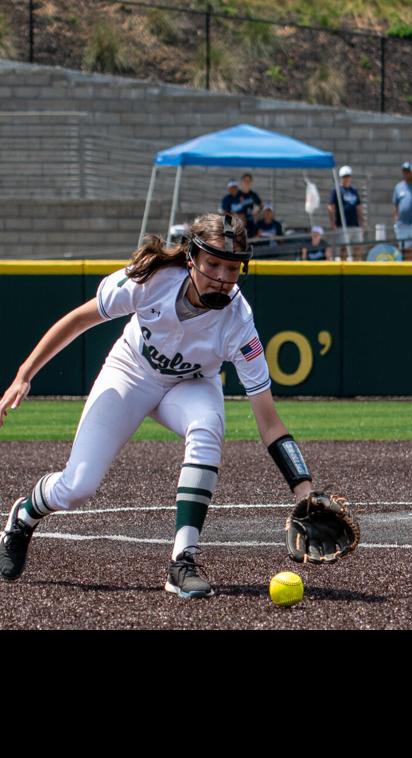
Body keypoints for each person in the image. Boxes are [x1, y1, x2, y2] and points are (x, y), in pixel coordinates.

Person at [0, 212, 332, 598]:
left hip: (190, 385)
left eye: (232, 267)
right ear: (191, 257)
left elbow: (270, 422)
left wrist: (303, 491)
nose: (223, 277)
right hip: (131, 372)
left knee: (208, 427)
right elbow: (77, 321)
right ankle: (24, 515)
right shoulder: (151, 280)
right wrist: (24, 374)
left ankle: (183, 562)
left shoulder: (240, 322)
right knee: (77, 487)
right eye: (213, 263)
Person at [326, 165, 364, 261]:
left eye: (348, 176)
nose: (346, 179)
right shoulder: (337, 190)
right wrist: (333, 222)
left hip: (354, 224)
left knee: (358, 247)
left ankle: (357, 267)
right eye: (344, 177)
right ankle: (344, 267)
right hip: (342, 225)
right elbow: (331, 207)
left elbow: (358, 207)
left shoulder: (354, 190)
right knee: (344, 248)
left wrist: (362, 222)